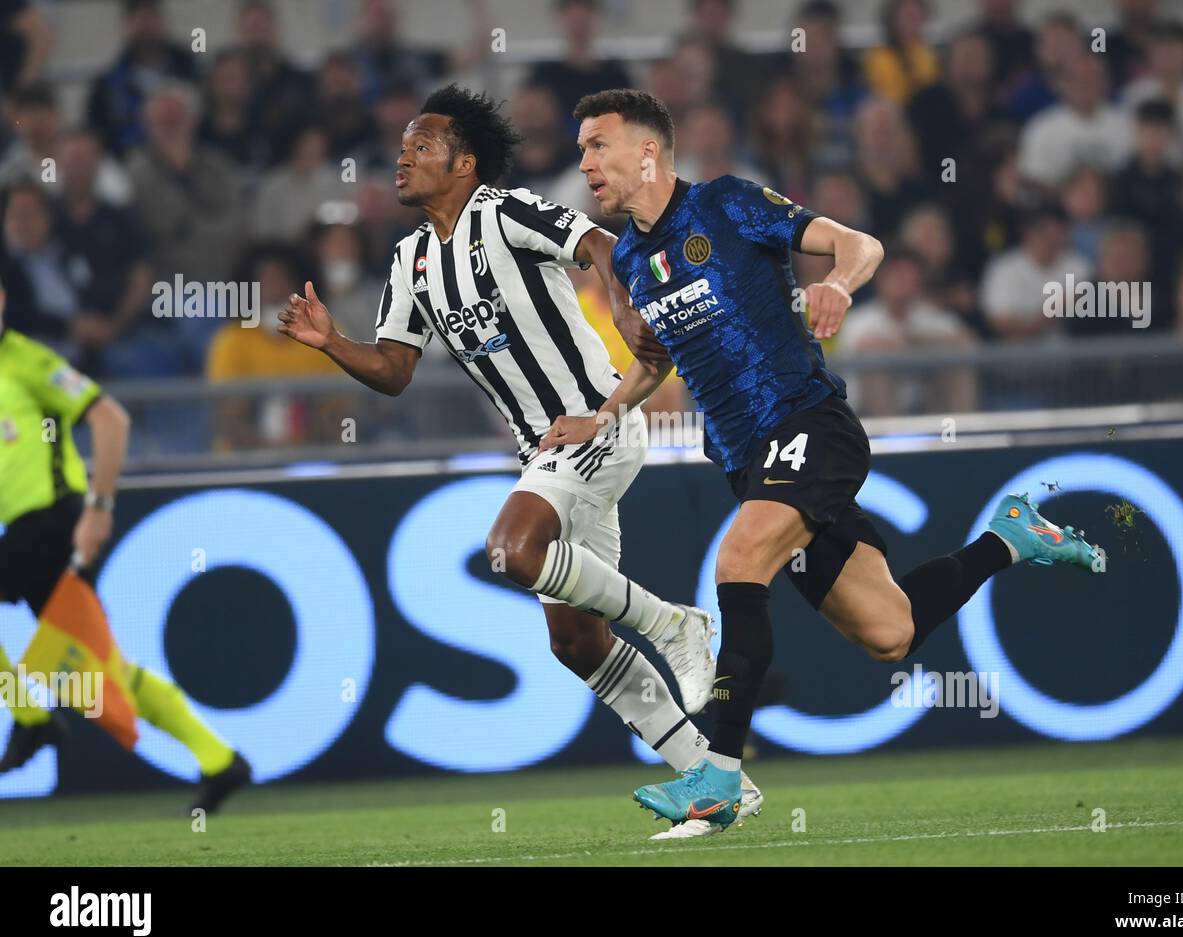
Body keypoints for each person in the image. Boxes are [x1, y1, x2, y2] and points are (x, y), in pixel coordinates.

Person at [549, 89, 1105, 829]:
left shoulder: (726, 203)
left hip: (809, 423)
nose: (585, 162)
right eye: (581, 148)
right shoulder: (631, 257)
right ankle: (1013, 538)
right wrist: (604, 414)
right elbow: (656, 362)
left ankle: (715, 776)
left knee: (739, 562)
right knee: (891, 632)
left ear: (646, 151)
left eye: (597, 145)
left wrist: (837, 286)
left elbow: (861, 244)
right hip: (749, 462)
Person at [276, 86, 761, 838]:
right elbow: (396, 370)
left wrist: (628, 308)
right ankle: (718, 780)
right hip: (542, 451)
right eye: (401, 147)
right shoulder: (409, 262)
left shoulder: (504, 212)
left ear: (465, 163)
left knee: (511, 549)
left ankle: (675, 625)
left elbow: (597, 244)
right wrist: (333, 342)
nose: (403, 157)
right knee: (576, 642)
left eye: (422, 146)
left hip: (593, 423)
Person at [0, 279, 250, 813]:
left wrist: (100, 507)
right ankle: (220, 760)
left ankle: (30, 719)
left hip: (55, 522)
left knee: (84, 672)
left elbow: (110, 417)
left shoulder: (26, 360)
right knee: (95, 670)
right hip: (26, 531)